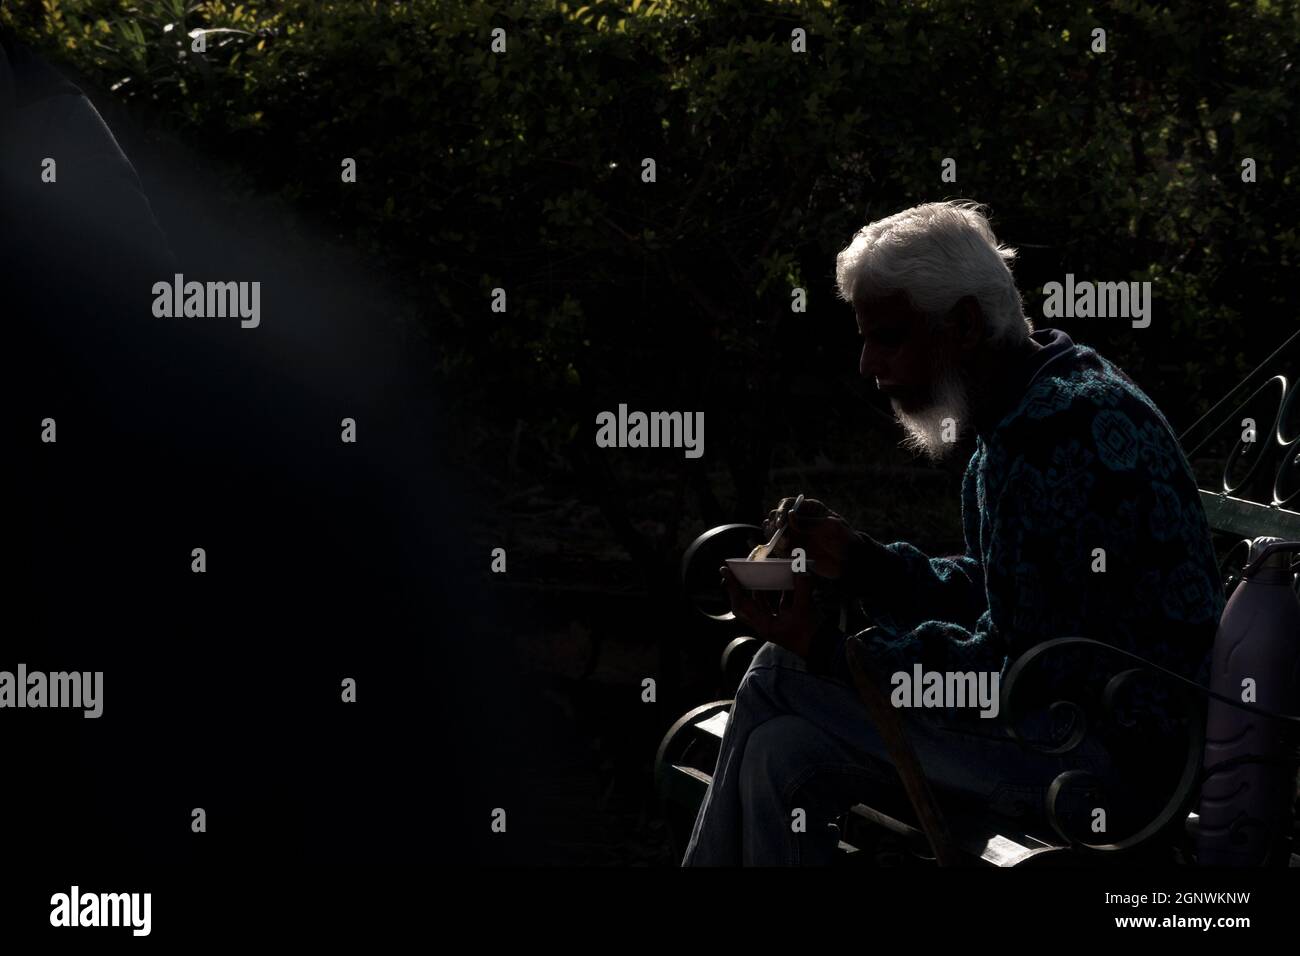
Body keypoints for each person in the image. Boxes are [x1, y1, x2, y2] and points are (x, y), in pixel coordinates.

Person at [683, 200, 1225, 866]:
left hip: (1104, 767)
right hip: (1059, 727)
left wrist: (830, 650)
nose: (865, 363)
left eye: (887, 337)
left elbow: (1009, 674)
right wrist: (865, 564)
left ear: (963, 325)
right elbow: (1009, 597)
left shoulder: (1056, 435)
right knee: (782, 755)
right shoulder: (1033, 400)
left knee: (777, 672)